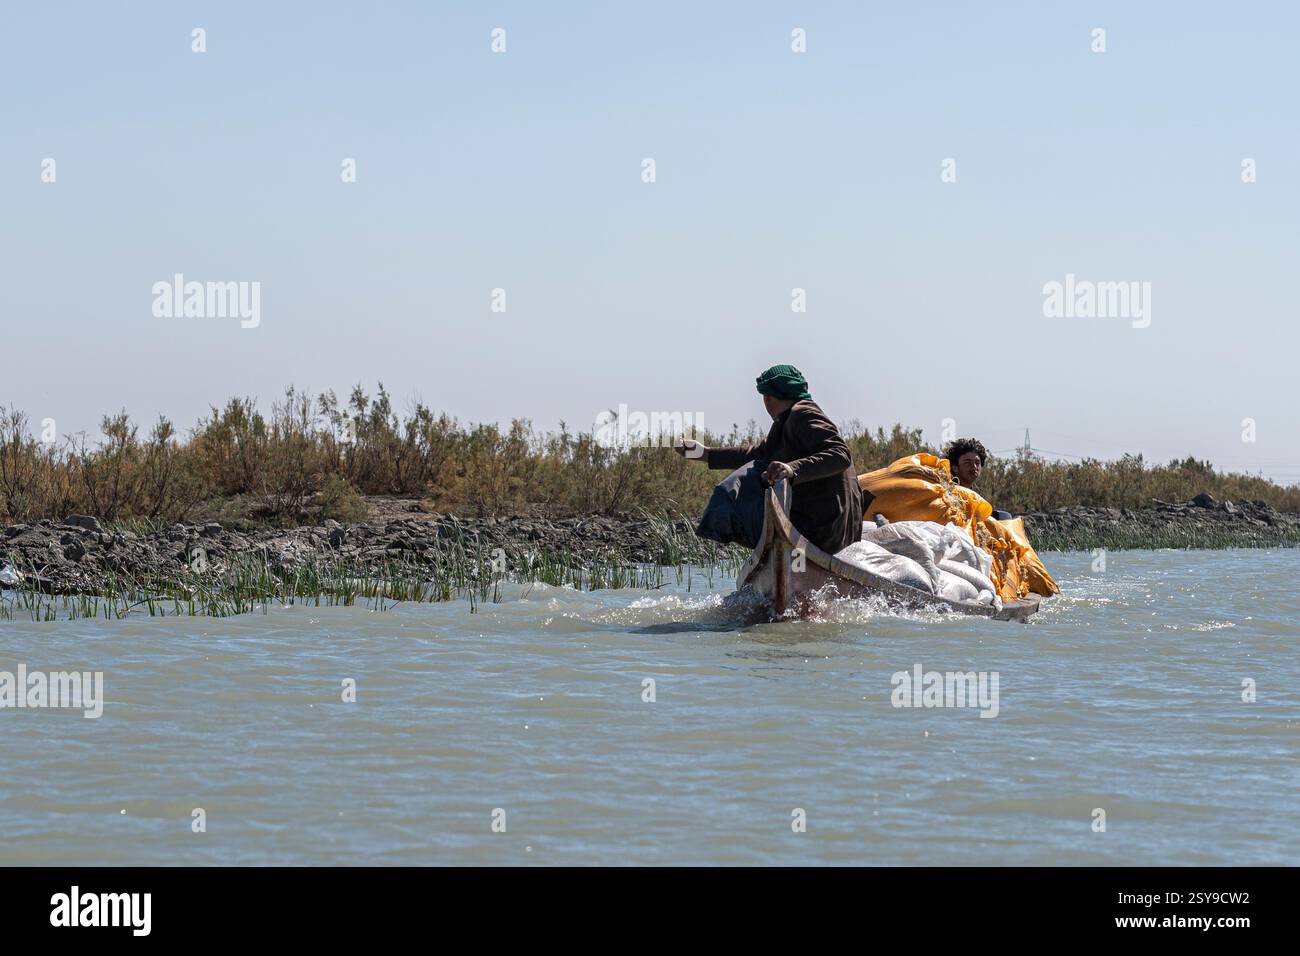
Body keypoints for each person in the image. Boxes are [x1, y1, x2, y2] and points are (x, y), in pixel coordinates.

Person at [676, 365, 862, 554]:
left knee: (751, 476)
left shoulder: (803, 414)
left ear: (769, 397)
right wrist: (704, 453)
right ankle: (776, 553)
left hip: (825, 530)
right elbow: (757, 453)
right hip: (837, 531)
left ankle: (768, 551)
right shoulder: (790, 419)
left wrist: (791, 469)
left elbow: (840, 454)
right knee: (761, 464)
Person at [944, 437, 1012, 520]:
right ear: (955, 467)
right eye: (967, 463)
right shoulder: (947, 494)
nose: (974, 467)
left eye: (977, 463)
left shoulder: (976, 497)